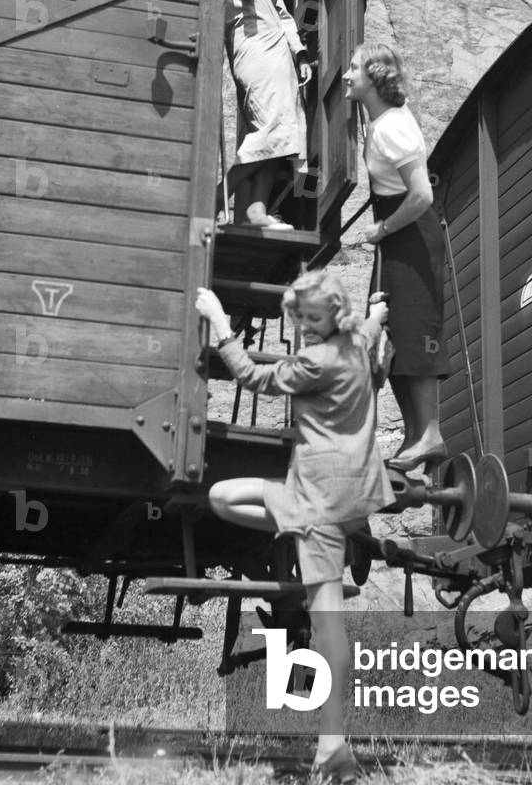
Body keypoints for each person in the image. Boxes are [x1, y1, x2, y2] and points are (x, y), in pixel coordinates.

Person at [195, 272, 393, 782]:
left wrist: (218, 318)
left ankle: (334, 750)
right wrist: (379, 312)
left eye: (311, 318)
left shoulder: (317, 361)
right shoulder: (356, 342)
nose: (303, 326)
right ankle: (293, 526)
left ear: (331, 316)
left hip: (323, 502)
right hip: (333, 495)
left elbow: (252, 377)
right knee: (222, 497)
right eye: (298, 318)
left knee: (328, 622)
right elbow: (373, 325)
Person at [344, 42, 450, 475]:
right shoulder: (380, 124)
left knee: (412, 330)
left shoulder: (391, 128)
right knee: (394, 334)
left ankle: (430, 433)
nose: (348, 75)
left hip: (410, 234)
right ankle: (413, 435)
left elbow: (422, 195)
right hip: (396, 235)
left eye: (353, 68)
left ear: (373, 76)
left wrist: (383, 230)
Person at [218, 0, 312, 230]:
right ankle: (218, 197)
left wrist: (299, 53)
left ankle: (256, 212)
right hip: (251, 46)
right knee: (273, 123)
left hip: (278, 52)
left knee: (280, 128)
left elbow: (284, 17)